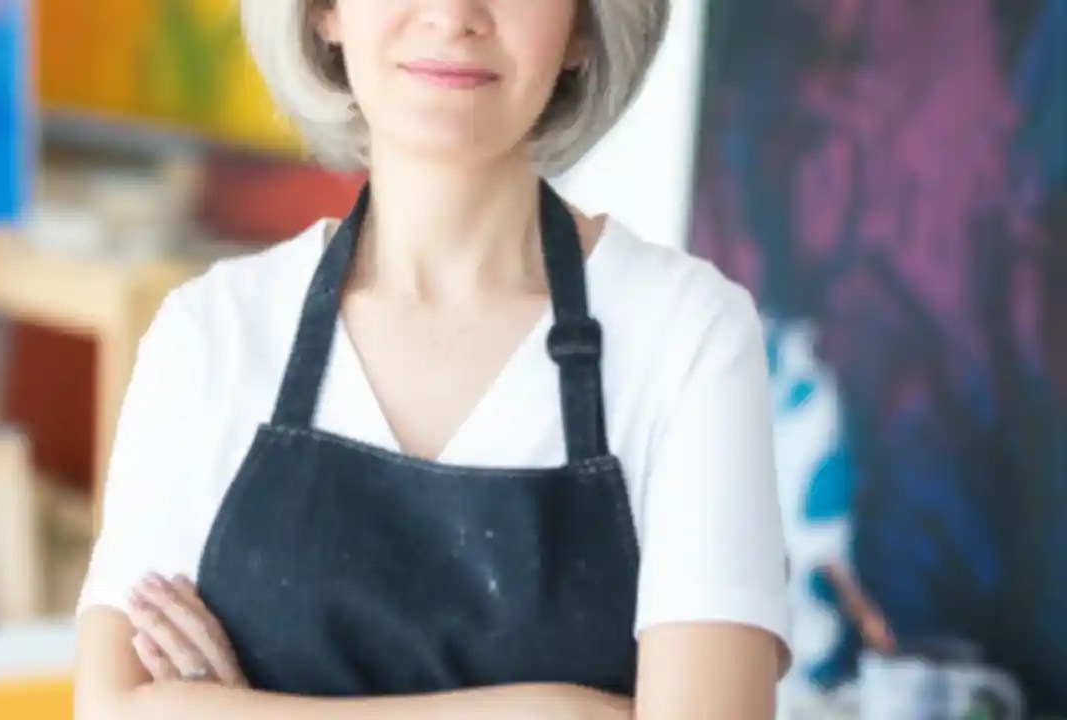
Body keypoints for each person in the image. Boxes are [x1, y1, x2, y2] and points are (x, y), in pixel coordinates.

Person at [74, 1, 791, 718]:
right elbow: (110, 709)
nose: (453, 15)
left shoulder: (686, 334)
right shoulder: (209, 335)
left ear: (582, 26)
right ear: (326, 12)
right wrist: (558, 712)